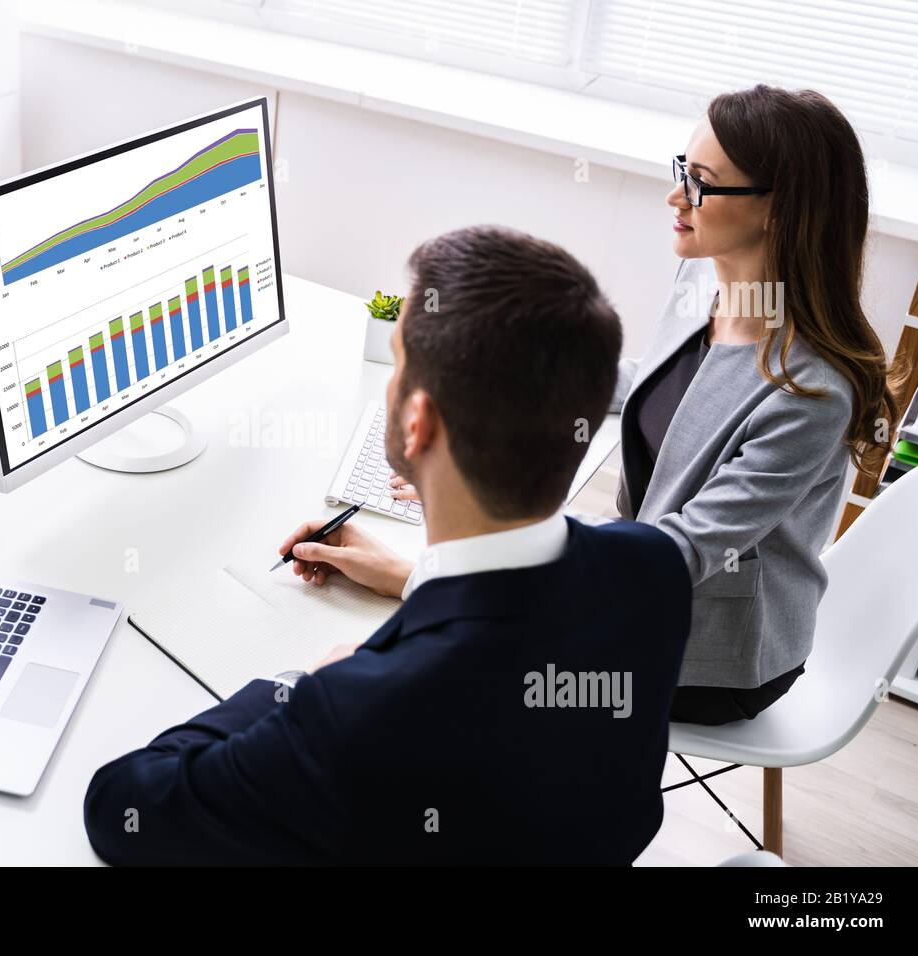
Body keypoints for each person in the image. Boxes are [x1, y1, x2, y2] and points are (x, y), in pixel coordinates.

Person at [83, 226, 692, 865]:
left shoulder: (357, 712)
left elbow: (121, 807)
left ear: (416, 421)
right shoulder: (653, 568)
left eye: (397, 362)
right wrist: (416, 578)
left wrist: (299, 683)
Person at [393, 86, 898, 725]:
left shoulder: (811, 392)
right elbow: (651, 384)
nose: (676, 196)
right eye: (681, 169)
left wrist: (492, 529)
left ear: (779, 208)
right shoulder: (705, 274)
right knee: (442, 623)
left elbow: (681, 552)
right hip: (642, 572)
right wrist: (484, 400)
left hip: (714, 651)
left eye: (702, 184)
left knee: (464, 665)